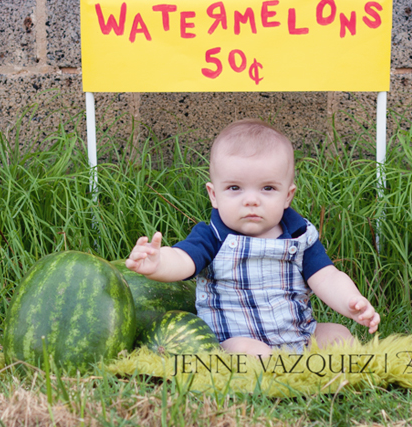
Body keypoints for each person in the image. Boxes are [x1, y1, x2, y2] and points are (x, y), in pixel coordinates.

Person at [126, 119, 380, 356]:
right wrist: (158, 263)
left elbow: (327, 277)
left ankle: (330, 379)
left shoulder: (300, 236)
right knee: (251, 353)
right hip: (234, 338)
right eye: (234, 188)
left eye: (267, 188)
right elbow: (183, 260)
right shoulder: (212, 236)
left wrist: (351, 302)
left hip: (297, 334)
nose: (251, 200)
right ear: (214, 195)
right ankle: (272, 380)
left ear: (288, 196)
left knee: (340, 336)